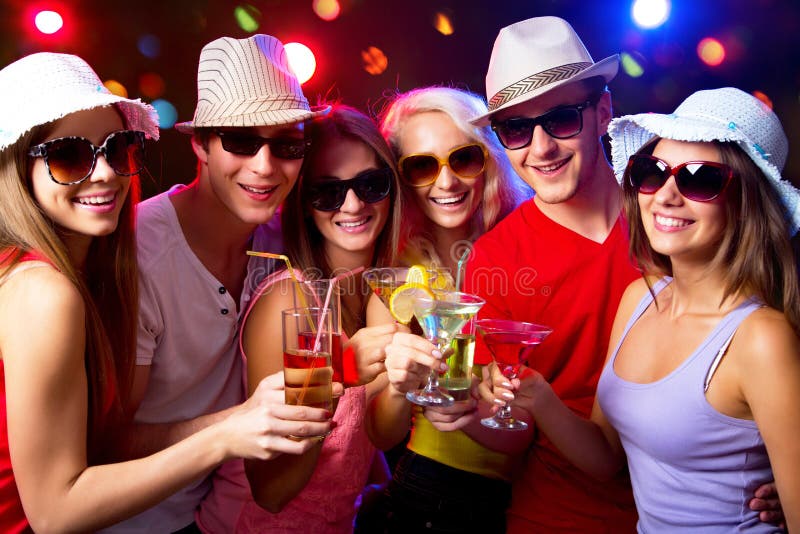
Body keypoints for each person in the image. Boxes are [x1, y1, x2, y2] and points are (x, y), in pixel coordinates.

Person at [456, 16, 783, 531]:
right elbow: (519, 425)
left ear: (603, 111)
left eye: (562, 119)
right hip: (560, 515)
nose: (541, 148)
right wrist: (461, 413)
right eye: (516, 128)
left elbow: (777, 349)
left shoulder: (681, 222)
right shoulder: (494, 260)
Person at [0, 52, 332, 533]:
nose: (104, 173)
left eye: (117, 148)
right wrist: (228, 431)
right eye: (68, 155)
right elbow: (56, 511)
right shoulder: (46, 288)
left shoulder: (96, 260)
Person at [102, 35, 332, 533]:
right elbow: (106, 443)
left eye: (287, 144)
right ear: (200, 144)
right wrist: (238, 422)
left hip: (211, 517)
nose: (265, 166)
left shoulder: (279, 239)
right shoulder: (139, 257)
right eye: (241, 141)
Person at [361, 86, 531, 533]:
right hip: (433, 495)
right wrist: (401, 384)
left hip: (531, 498)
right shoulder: (398, 278)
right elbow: (381, 433)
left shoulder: (523, 251)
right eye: (421, 166)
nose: (446, 182)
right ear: (401, 178)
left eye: (463, 159)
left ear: (490, 161)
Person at [235, 103, 403, 532]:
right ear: (305, 204)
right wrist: (338, 375)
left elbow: (373, 435)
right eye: (328, 192)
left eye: (371, 184)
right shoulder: (288, 303)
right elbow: (270, 491)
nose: (353, 204)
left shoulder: (382, 295)